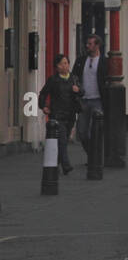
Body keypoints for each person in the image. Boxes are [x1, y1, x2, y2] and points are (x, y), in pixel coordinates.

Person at [39, 53, 81, 175]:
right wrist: (43, 107)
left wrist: (78, 90)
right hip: (57, 115)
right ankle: (66, 165)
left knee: (64, 140)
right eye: (62, 63)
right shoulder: (53, 80)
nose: (65, 66)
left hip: (70, 114)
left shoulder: (74, 78)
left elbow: (82, 91)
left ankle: (54, 165)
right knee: (62, 140)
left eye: (66, 63)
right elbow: (43, 94)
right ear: (57, 66)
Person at [71, 34, 108, 162]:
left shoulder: (104, 62)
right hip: (84, 100)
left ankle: (94, 158)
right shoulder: (81, 61)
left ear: (97, 45)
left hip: (98, 100)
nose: (87, 46)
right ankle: (92, 155)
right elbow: (74, 77)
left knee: (95, 131)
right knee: (81, 132)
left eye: (90, 44)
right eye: (87, 43)